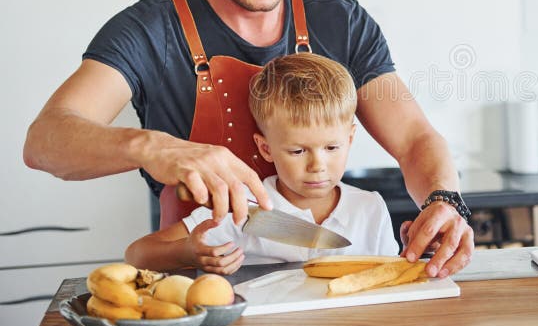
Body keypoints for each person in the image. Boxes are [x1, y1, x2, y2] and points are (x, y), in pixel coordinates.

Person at [23, 0, 472, 278]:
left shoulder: (343, 22)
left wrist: (444, 201)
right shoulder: (149, 31)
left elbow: (414, 138)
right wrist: (154, 148)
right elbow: (45, 142)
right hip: (196, 291)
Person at [125, 53, 398, 273]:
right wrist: (186, 253)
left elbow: (392, 280)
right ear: (265, 148)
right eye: (298, 151)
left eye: (331, 147)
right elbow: (137, 255)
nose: (318, 165)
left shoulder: (370, 209)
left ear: (349, 139)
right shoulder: (243, 207)